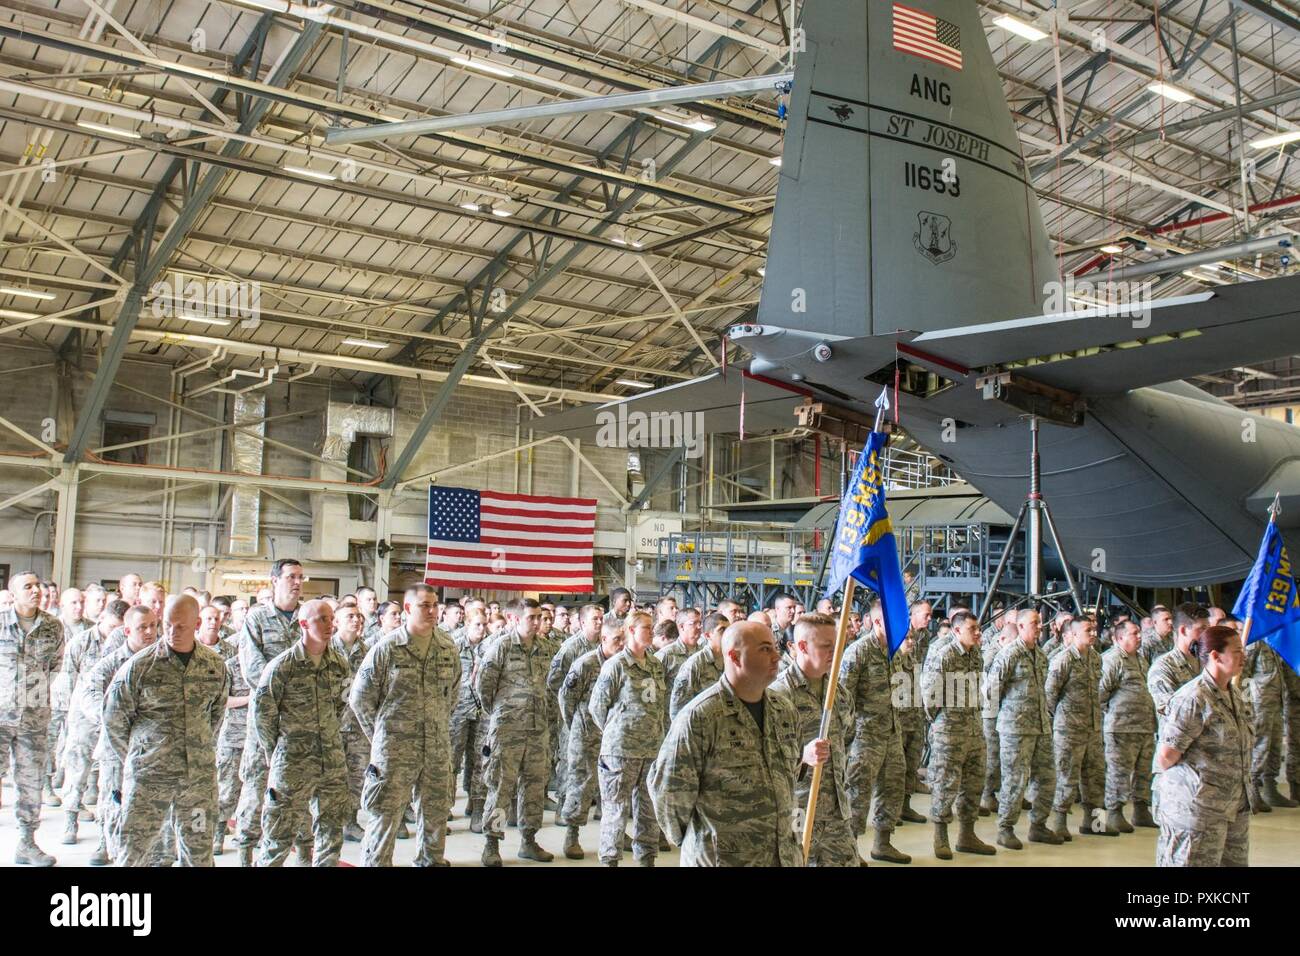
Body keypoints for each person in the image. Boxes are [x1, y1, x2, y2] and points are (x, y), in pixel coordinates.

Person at [648, 621, 803, 866]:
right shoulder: (700, 717)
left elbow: (791, 776)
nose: (776, 656)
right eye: (765, 649)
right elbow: (670, 794)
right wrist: (701, 838)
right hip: (722, 859)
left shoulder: (783, 709)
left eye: (775, 647)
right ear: (734, 656)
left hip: (780, 856)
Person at [102, 595, 230, 866]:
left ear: (196, 624)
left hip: (197, 779)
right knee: (133, 849)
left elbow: (216, 715)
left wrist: (199, 747)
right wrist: (141, 755)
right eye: (167, 624)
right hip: (149, 776)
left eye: (181, 626)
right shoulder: (140, 666)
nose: (172, 631)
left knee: (198, 850)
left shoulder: (214, 666)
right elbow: (114, 719)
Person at [349, 585, 461, 867]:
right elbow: (360, 698)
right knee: (385, 815)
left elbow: (453, 693)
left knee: (435, 812)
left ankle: (430, 861)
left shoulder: (447, 647)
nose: (432, 611)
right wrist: (381, 735)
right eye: (425, 605)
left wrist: (435, 724)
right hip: (394, 751)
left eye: (435, 605)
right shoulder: (387, 648)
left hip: (435, 748)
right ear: (409, 608)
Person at [252, 599, 351, 867]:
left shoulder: (340, 665)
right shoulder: (283, 667)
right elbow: (263, 713)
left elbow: (341, 705)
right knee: (279, 834)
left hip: (330, 760)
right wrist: (276, 751)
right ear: (304, 624)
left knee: (331, 832)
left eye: (331, 619)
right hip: (292, 760)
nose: (330, 625)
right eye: (323, 619)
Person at [1153, 626, 1252, 866]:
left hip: (1232, 806)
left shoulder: (1233, 694)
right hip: (1197, 810)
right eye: (1237, 651)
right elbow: (1166, 756)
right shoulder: (1193, 698)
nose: (1244, 656)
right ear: (1216, 656)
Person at [771, 613, 859, 866]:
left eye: (837, 646)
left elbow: (848, 737)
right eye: (826, 647)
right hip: (797, 810)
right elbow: (765, 761)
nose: (835, 652)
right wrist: (802, 756)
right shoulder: (778, 696)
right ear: (801, 647)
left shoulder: (839, 693)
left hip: (836, 811)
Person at [233, 558, 304, 866]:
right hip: (265, 717)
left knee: (300, 785)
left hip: (300, 719)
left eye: (301, 577)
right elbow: (252, 669)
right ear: (275, 580)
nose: (297, 582)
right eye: (291, 576)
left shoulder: (308, 616)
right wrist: (285, 690)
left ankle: (303, 850)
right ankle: (245, 851)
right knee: (256, 783)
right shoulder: (257, 618)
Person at [475, 597, 553, 866]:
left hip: (537, 730)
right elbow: (483, 688)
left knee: (533, 788)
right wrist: (501, 713)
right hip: (507, 731)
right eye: (531, 617)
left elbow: (550, 686)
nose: (536, 622)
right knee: (500, 788)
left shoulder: (545, 648)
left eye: (539, 617)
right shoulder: (502, 647)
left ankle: (529, 840)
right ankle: (491, 843)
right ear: (515, 619)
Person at [82, 605, 159, 865]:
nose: (150, 632)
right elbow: (89, 693)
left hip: (151, 746)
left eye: (153, 626)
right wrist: (110, 719)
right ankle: (108, 846)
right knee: (114, 800)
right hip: (117, 746)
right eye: (142, 627)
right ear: (127, 631)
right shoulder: (113, 662)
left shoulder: (163, 660)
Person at [589, 610, 667, 866]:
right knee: (615, 811)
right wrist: (618, 731)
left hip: (651, 751)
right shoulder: (616, 666)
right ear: (631, 631)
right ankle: (610, 860)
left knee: (648, 812)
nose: (651, 631)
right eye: (646, 627)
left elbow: (659, 707)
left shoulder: (655, 665)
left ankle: (646, 859)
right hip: (620, 752)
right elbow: (597, 707)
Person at [0, 570, 66, 865]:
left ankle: (27, 843)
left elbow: (56, 665)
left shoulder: (53, 626)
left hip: (34, 719)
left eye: (38, 586)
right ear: (12, 593)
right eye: (28, 587)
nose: (36, 591)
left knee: (30, 783)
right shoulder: (0, 622)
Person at [838, 598, 911, 863]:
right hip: (864, 737)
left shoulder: (893, 651)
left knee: (892, 788)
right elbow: (843, 697)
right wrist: (848, 738)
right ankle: (850, 848)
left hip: (891, 731)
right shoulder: (858, 652)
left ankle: (883, 843)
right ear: (878, 621)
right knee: (857, 794)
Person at [921, 610, 996, 859]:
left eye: (978, 628)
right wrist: (942, 721)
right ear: (956, 631)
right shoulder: (944, 656)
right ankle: (940, 836)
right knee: (945, 784)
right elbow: (929, 696)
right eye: (972, 628)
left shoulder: (977, 655)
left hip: (974, 728)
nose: (978, 632)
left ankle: (967, 835)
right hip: (949, 731)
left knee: (973, 784)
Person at [989, 607, 1061, 849]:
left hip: (1041, 727)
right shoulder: (1009, 654)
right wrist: (1007, 718)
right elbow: (991, 692)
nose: (1039, 627)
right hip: (1015, 729)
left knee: (1047, 777)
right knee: (1015, 780)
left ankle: (1038, 825)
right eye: (1033, 623)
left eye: (1040, 623)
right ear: (1020, 627)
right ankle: (1005, 828)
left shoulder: (1040, 656)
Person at [58, 599, 128, 845]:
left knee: (109, 778)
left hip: (113, 717)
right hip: (83, 717)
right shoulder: (82, 643)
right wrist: (67, 719)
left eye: (121, 629)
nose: (115, 634)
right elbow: (68, 680)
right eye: (112, 628)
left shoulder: (125, 645)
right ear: (101, 620)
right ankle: (70, 819)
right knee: (77, 769)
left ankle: (105, 832)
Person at [557, 621, 625, 860]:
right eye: (617, 639)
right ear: (603, 639)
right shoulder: (585, 664)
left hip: (614, 735)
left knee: (617, 785)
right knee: (581, 783)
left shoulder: (624, 665)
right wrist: (577, 725)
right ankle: (572, 833)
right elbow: (566, 699)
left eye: (623, 638)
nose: (622, 644)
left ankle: (617, 832)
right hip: (585, 733)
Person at [1045, 617, 1116, 838]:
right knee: (1067, 777)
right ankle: (1059, 822)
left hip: (1093, 729)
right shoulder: (1063, 660)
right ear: (1074, 635)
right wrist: (1057, 723)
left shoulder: (1096, 658)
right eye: (1088, 630)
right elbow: (1050, 694)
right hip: (1069, 730)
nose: (1093, 633)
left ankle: (1095, 823)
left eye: (1094, 629)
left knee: (1095, 778)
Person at [545, 604, 603, 824]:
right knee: (571, 763)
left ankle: (592, 806)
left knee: (596, 763)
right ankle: (563, 806)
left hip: (597, 718)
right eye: (594, 619)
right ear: (582, 622)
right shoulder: (571, 647)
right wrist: (570, 710)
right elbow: (554, 680)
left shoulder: (604, 646)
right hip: (574, 715)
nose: (599, 622)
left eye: (600, 619)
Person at [1099, 618, 1157, 831]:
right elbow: (1100, 694)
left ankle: (1141, 810)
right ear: (1120, 638)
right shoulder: (1112, 660)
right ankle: (1114, 812)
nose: (1139, 636)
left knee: (1144, 770)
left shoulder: (1141, 659)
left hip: (1144, 726)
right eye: (1134, 633)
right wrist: (1113, 716)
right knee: (1118, 772)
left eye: (1139, 632)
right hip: (1121, 727)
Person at [1240, 636, 1296, 811]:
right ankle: (1253, 790)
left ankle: (1270, 789)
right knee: (1260, 745)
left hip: (1277, 703)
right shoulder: (1256, 641)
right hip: (1259, 704)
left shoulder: (1279, 641)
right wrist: (1244, 701)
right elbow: (1243, 672)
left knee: (1275, 745)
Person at [330, 602, 370, 841]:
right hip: (331, 725)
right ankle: (328, 823)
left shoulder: (368, 652)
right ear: (335, 621)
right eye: (349, 616)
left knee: (356, 775)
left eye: (358, 616)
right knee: (330, 776)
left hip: (356, 726)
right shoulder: (325, 650)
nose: (355, 620)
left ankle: (350, 821)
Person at [979, 608, 1017, 815]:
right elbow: (989, 687)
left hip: (1004, 711)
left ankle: (1000, 794)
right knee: (992, 756)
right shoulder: (993, 653)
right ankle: (987, 794)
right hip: (990, 711)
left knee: (1005, 757)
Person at [1148, 603, 1209, 730]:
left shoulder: (1207, 662)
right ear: (1183, 630)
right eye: (1201, 629)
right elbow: (1172, 710)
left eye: (1208, 629)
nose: (1206, 635)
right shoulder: (1163, 667)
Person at [669, 611, 728, 721]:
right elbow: (677, 709)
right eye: (722, 630)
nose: (727, 634)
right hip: (699, 728)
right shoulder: (695, 664)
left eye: (729, 630)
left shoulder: (730, 661)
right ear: (707, 635)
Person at [656, 608, 701, 690]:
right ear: (682, 627)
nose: (699, 627)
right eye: (694, 623)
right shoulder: (666, 655)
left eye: (700, 623)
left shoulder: (703, 653)